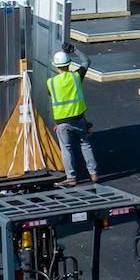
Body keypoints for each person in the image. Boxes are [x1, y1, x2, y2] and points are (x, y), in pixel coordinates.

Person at [49, 46, 98, 182]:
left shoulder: (51, 83)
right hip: (78, 119)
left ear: (55, 66)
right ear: (68, 64)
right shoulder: (76, 77)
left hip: (62, 122)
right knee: (85, 144)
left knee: (66, 149)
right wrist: (74, 49)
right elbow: (86, 61)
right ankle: (93, 173)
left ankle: (71, 177)